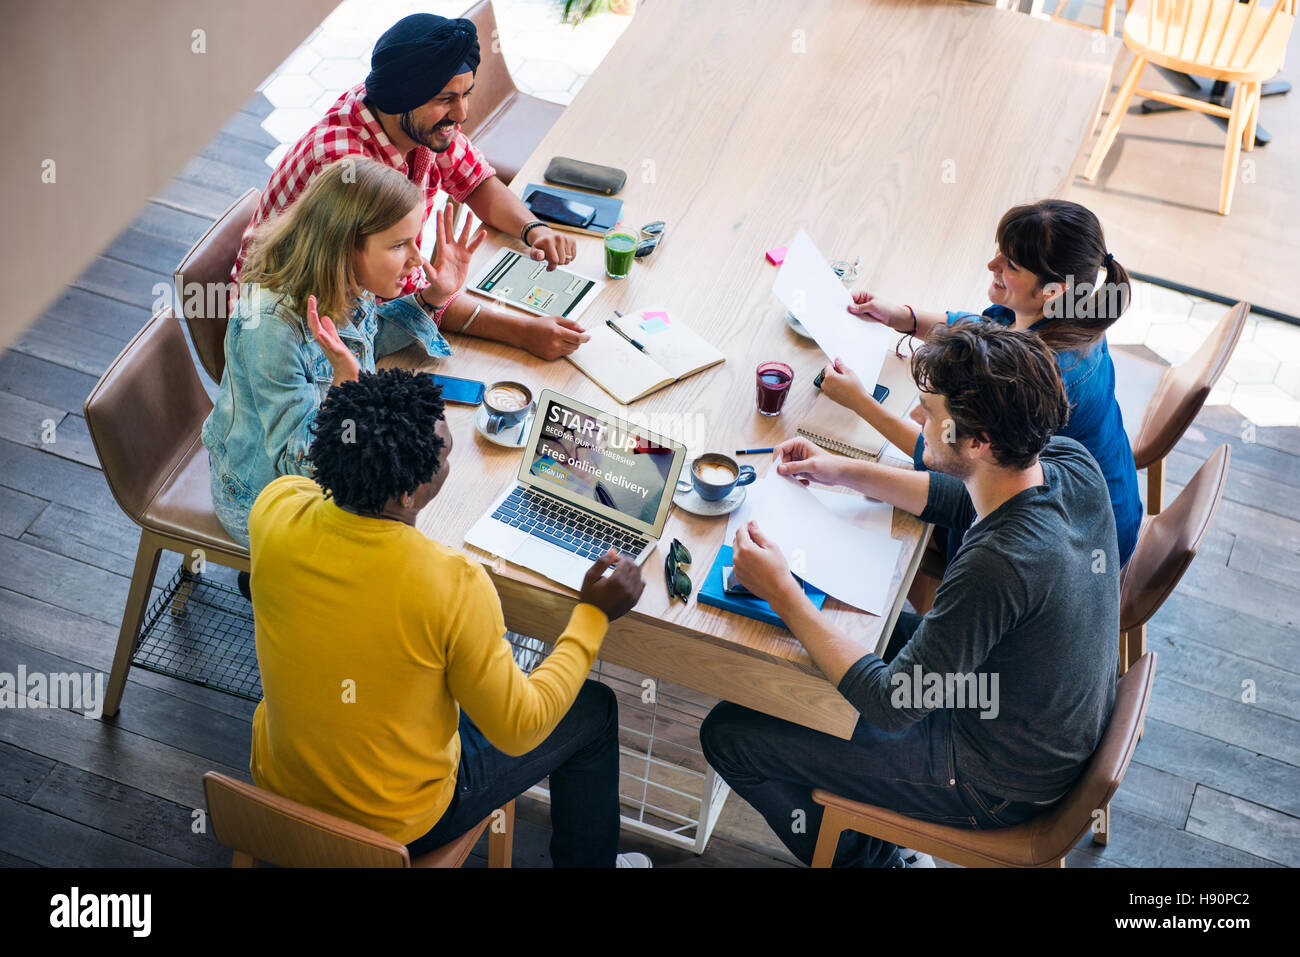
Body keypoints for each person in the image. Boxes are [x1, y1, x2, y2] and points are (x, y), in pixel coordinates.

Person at [700, 322, 1120, 868]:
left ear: (977, 442)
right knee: (861, 620)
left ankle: (875, 862)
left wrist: (781, 591)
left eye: (930, 413)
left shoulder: (1000, 563)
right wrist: (840, 472)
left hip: (991, 779)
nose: (917, 420)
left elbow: (893, 703)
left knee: (730, 734)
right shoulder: (1065, 462)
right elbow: (959, 496)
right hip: (1021, 708)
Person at [247, 368, 650, 867]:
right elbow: (519, 728)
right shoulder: (453, 583)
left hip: (279, 783)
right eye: (443, 454)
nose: (450, 455)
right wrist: (592, 614)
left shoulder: (274, 509)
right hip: (398, 826)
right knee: (595, 710)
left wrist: (355, 416)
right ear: (409, 495)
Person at [233, 12, 589, 361]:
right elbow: (401, 294)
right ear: (404, 97)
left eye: (465, 95)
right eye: (446, 99)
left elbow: (475, 180)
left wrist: (534, 230)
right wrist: (522, 332)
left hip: (353, 314)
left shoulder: (413, 120)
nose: (462, 114)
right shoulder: (350, 170)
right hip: (292, 346)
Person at [818, 199, 1142, 566]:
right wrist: (904, 318)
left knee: (864, 521)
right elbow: (987, 329)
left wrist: (860, 402)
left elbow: (953, 458)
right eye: (1000, 250)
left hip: (1075, 542)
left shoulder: (1037, 374)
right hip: (1106, 505)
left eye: (1011, 264)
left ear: (1052, 291)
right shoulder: (1072, 315)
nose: (992, 264)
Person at [204, 156, 480, 548]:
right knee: (426, 531)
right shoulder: (269, 326)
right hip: (262, 500)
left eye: (414, 241)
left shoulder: (347, 281)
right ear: (346, 248)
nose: (417, 259)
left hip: (338, 460)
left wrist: (433, 297)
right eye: (400, 245)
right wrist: (344, 394)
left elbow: (371, 334)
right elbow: (294, 463)